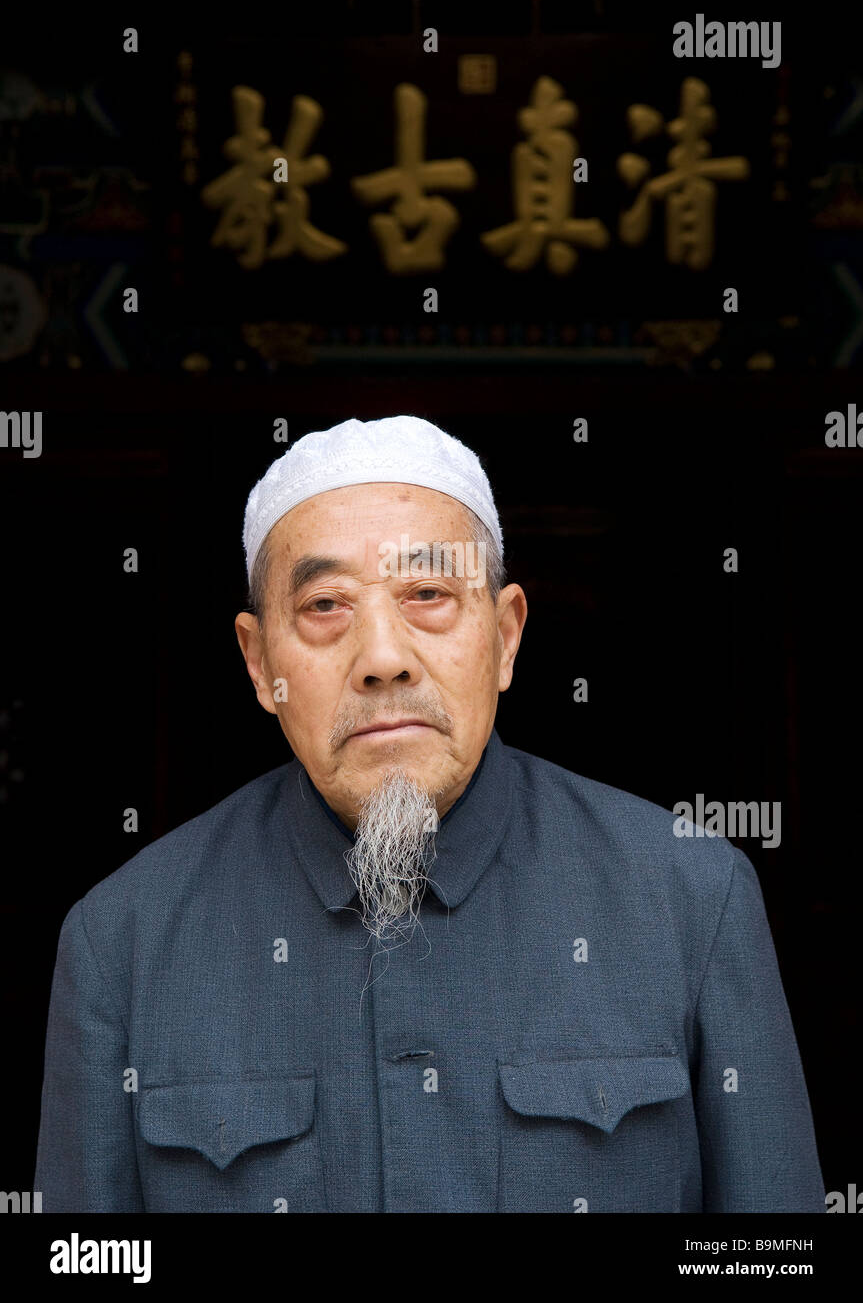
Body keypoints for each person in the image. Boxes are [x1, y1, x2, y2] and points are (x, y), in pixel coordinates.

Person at [35, 414, 825, 1212]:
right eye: (324, 605)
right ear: (258, 659)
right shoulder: (123, 941)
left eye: (427, 594)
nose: (383, 658)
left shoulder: (691, 897)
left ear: (506, 634)